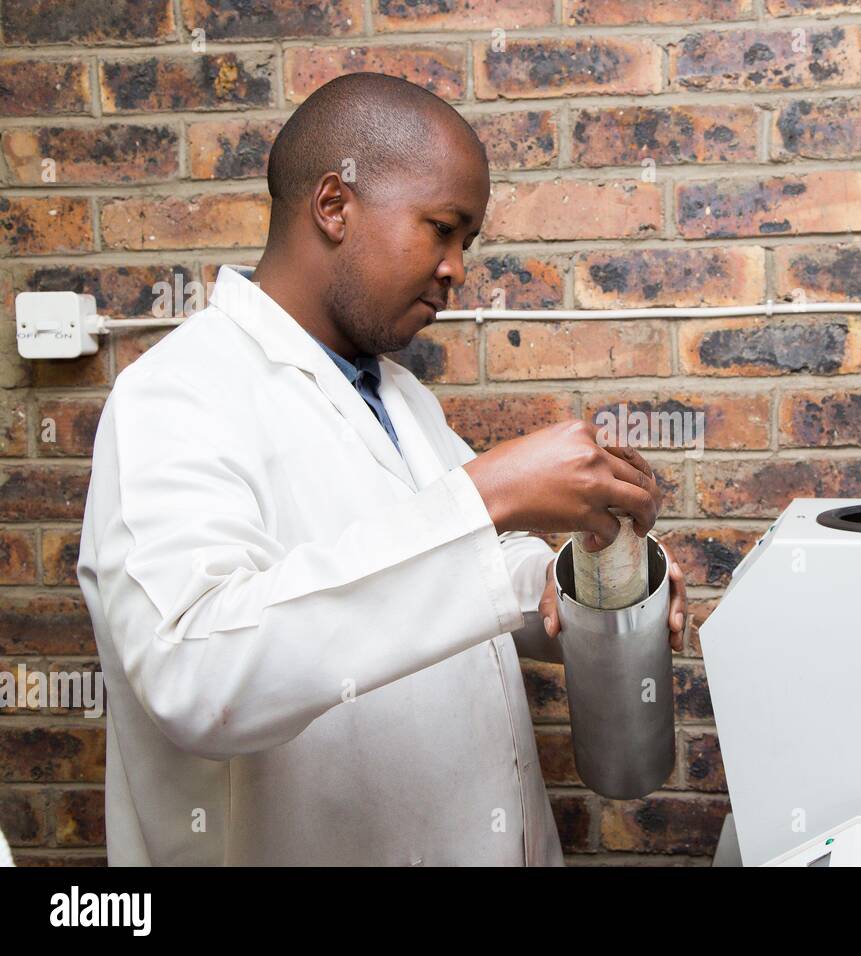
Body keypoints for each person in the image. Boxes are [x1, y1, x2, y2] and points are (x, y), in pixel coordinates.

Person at [77, 72, 687, 866]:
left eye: (465, 242)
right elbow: (196, 672)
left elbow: (470, 571)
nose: (456, 269)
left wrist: (575, 583)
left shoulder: (397, 395)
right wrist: (492, 492)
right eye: (441, 228)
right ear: (335, 205)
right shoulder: (175, 395)